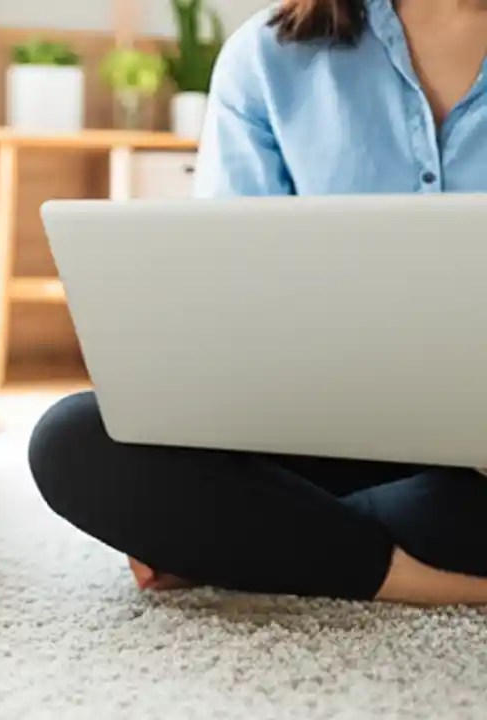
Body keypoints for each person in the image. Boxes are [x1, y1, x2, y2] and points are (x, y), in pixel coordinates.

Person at [29, 0, 487, 605]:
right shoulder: (269, 56)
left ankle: (286, 544)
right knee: (75, 444)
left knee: (420, 506)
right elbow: (230, 305)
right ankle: (420, 577)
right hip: (328, 426)